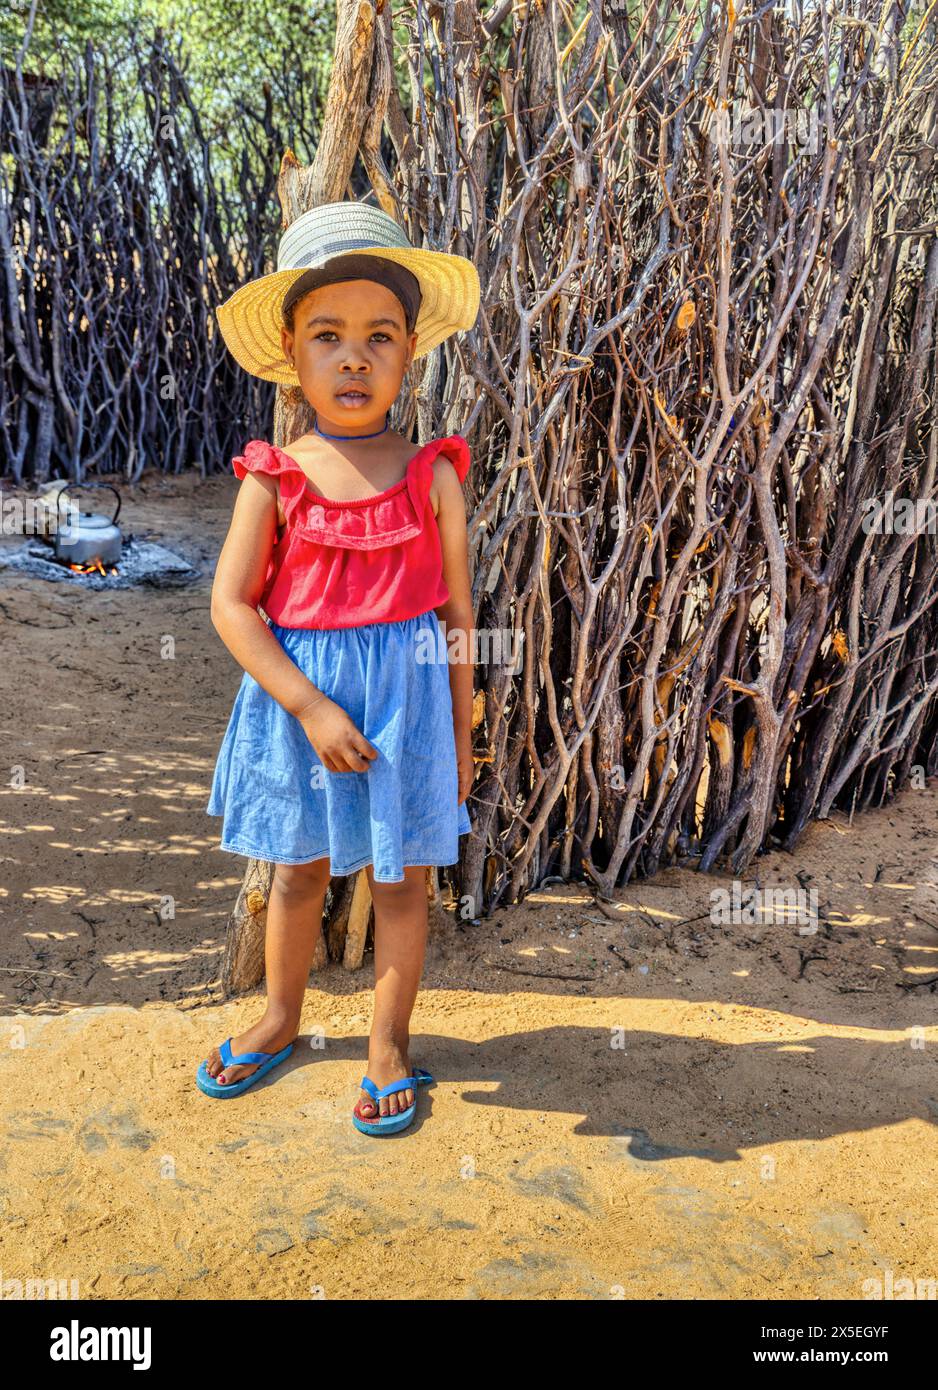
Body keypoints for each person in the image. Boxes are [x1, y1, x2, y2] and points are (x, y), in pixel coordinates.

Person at [197, 200, 480, 1135]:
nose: (353, 358)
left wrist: (463, 731)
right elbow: (232, 607)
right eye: (329, 336)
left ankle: (388, 1044)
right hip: (296, 712)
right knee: (295, 874)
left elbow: (456, 615)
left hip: (408, 714)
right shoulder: (272, 477)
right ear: (291, 351)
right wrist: (310, 705)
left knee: (402, 883)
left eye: (379, 337)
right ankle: (282, 1017)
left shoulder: (432, 473)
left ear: (408, 354)